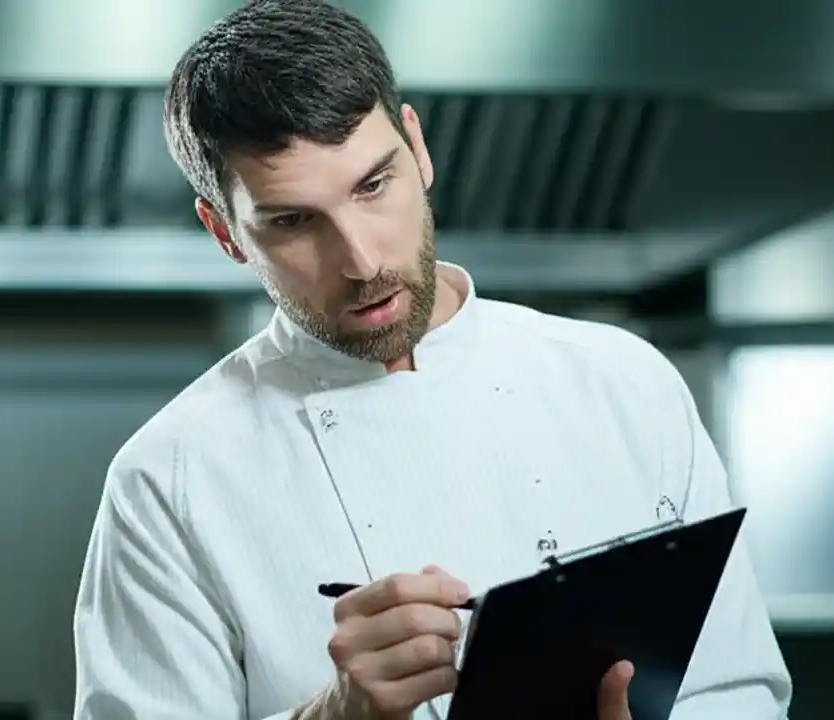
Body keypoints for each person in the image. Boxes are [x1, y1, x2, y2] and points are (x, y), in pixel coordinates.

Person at [72, 1, 793, 718]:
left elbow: (738, 691)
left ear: (416, 146)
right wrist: (334, 716)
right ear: (224, 232)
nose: (362, 261)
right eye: (293, 222)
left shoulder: (625, 383)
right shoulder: (169, 479)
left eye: (373, 184)